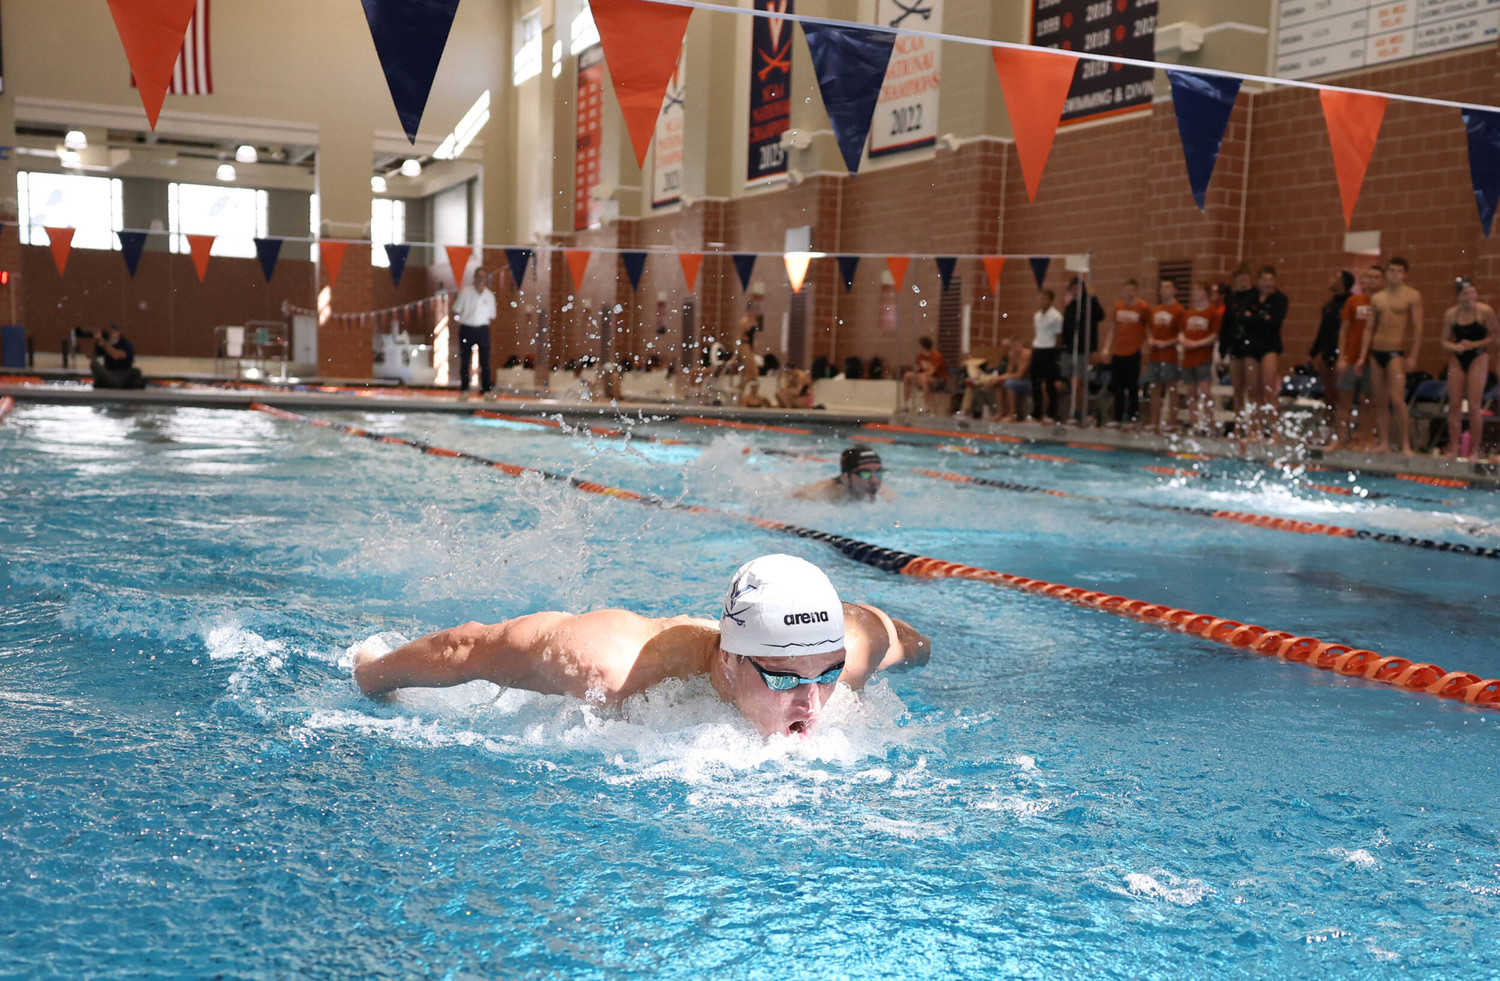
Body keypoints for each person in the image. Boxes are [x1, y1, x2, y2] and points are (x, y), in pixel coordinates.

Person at [353, 554, 931, 740]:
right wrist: (371, 674)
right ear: (729, 659)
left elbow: (904, 639)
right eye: (782, 678)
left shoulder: (851, 650)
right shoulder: (609, 665)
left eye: (824, 674)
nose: (811, 704)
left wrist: (922, 652)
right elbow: (465, 648)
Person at [1358, 256, 1424, 455]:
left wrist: (1413, 356)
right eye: (1391, 270)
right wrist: (1362, 356)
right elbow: (1369, 328)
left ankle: (1405, 444)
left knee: (1397, 398)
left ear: (1404, 274)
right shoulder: (1377, 298)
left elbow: (1418, 327)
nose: (1394, 274)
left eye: (1399, 271)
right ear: (1387, 273)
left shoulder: (1412, 296)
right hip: (1376, 352)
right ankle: (1384, 442)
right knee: (1380, 399)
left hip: (1396, 353)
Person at [1327, 265, 1382, 451]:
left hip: (1372, 360)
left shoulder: (1383, 302)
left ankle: (1365, 440)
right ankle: (1341, 439)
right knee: (1344, 401)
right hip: (1351, 357)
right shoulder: (1354, 301)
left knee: (1369, 401)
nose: (1370, 280)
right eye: (1367, 276)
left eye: (1375, 277)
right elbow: (1343, 330)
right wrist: (1342, 356)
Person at [1441, 277, 1497, 460]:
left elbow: (1496, 338)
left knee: (1474, 406)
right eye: (1465, 294)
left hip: (1478, 356)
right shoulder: (1451, 314)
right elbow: (1444, 341)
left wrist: (1474, 344)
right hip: (1458, 357)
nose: (1470, 297)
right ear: (1458, 296)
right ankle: (1454, 449)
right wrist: (1455, 347)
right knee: (1455, 405)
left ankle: (1474, 451)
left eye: (1472, 292)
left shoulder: (1484, 311)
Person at [1236, 265, 1289, 441]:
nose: (1267, 283)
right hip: (1251, 347)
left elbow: (1274, 323)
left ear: (1275, 281)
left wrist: (1254, 317)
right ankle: (1255, 429)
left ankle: (1275, 430)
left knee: (1269, 389)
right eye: (1264, 280)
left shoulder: (1280, 299)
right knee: (1253, 391)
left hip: (1269, 346)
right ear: (1258, 281)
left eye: (1270, 279)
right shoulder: (1251, 297)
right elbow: (1242, 319)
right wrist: (1261, 318)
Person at [1100, 279, 1151, 426]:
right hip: (1118, 352)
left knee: (1132, 386)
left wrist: (1146, 349)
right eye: (1127, 289)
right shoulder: (1118, 307)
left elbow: (1148, 330)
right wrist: (1106, 347)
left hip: (1133, 352)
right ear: (1123, 290)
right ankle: (1117, 417)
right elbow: (1113, 328)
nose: (1130, 293)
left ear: (1136, 291)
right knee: (1118, 386)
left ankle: (1132, 417)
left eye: (1132, 289)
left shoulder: (1143, 307)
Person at [1058, 276, 1106, 424]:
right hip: (1069, 350)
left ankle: (1078, 412)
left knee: (1077, 382)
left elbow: (1101, 316)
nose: (1075, 292)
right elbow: (1066, 330)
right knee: (1070, 380)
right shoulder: (1070, 306)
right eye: (1072, 289)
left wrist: (1093, 296)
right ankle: (1080, 411)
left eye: (1077, 289)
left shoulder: (1089, 303)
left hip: (1082, 350)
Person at [1312, 270, 1355, 428]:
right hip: (1328, 354)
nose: (1331, 279)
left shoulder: (1350, 302)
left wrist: (1344, 356)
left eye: (1335, 276)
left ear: (1344, 283)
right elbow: (1323, 331)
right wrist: (1314, 353)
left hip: (1343, 356)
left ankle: (1341, 430)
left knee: (1341, 396)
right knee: (1328, 394)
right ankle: (1328, 429)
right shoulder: (1329, 305)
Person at [1179, 282, 1221, 434]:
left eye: (1199, 290)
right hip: (1188, 358)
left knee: (1205, 392)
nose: (1196, 294)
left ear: (1205, 293)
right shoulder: (1187, 314)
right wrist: (1185, 342)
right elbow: (1181, 333)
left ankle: (1210, 424)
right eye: (1194, 290)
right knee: (1191, 393)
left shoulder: (1212, 313)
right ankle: (1194, 425)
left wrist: (1197, 343)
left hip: (1203, 357)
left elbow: (1214, 335)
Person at [1145, 279, 1185, 433]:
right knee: (1154, 389)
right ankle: (1154, 422)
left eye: (1167, 287)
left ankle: (1171, 422)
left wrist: (1167, 342)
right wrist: (1151, 339)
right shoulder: (1155, 310)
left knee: (1171, 389)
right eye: (1162, 287)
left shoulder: (1179, 310)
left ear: (1175, 290)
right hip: (1154, 355)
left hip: (1170, 356)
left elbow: (1182, 334)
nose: (1164, 290)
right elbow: (1148, 329)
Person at [451, 267, 497, 398]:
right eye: (479, 276)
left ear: (486, 279)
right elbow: (456, 309)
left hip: (482, 329)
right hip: (467, 329)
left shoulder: (489, 295)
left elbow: (492, 315)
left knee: (485, 361)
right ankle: (465, 389)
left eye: (484, 276)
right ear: (475, 277)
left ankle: (486, 389)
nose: (481, 279)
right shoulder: (465, 292)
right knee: (465, 360)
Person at [793, 446, 895, 503]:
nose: (874, 480)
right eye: (865, 474)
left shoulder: (885, 494)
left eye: (879, 473)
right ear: (845, 477)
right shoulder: (821, 492)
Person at [1221, 265, 1256, 424]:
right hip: (1235, 347)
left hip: (1251, 348)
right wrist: (1223, 351)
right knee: (1237, 389)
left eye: (1245, 276)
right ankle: (1238, 423)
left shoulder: (1256, 295)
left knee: (1253, 388)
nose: (1243, 279)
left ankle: (1254, 424)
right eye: (1239, 276)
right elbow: (1226, 326)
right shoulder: (1232, 298)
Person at [1028, 289, 1062, 423]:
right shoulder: (1036, 316)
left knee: (1049, 383)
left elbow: (1058, 337)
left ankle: (1052, 413)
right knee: (1035, 382)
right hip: (1038, 349)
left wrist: (1055, 354)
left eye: (1044, 298)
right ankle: (1037, 412)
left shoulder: (1056, 316)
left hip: (1049, 350)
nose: (1041, 301)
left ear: (1050, 300)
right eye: (1040, 298)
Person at [89, 324, 145, 389]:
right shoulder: (105, 345)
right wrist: (95, 340)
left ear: (118, 333)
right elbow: (90, 356)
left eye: (112, 332)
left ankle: (114, 383)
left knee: (136, 371)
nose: (110, 335)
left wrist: (102, 341)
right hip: (109, 372)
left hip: (123, 373)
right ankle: (113, 382)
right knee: (94, 364)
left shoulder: (126, 345)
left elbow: (116, 356)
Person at [902, 336, 947, 413]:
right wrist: (912, 374)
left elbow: (931, 373)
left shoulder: (936, 356)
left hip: (939, 379)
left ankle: (926, 406)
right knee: (907, 375)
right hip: (924, 376)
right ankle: (906, 404)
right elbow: (917, 369)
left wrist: (920, 375)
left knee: (924, 378)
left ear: (922, 346)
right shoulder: (920, 356)